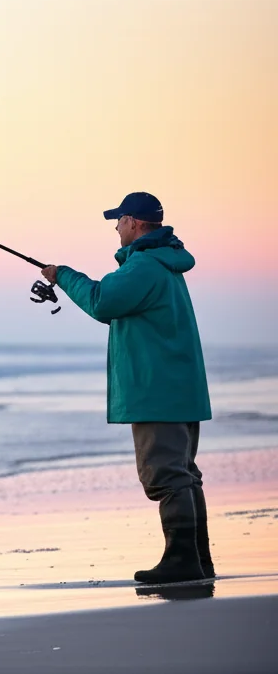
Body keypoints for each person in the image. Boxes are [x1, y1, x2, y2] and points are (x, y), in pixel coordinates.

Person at [40, 192, 213, 584]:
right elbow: (115, 308)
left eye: (118, 221)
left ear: (134, 222)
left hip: (157, 390)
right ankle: (197, 560)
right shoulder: (163, 265)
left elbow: (103, 302)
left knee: (166, 475)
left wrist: (63, 275)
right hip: (176, 387)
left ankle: (184, 560)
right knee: (183, 473)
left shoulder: (144, 266)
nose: (116, 228)